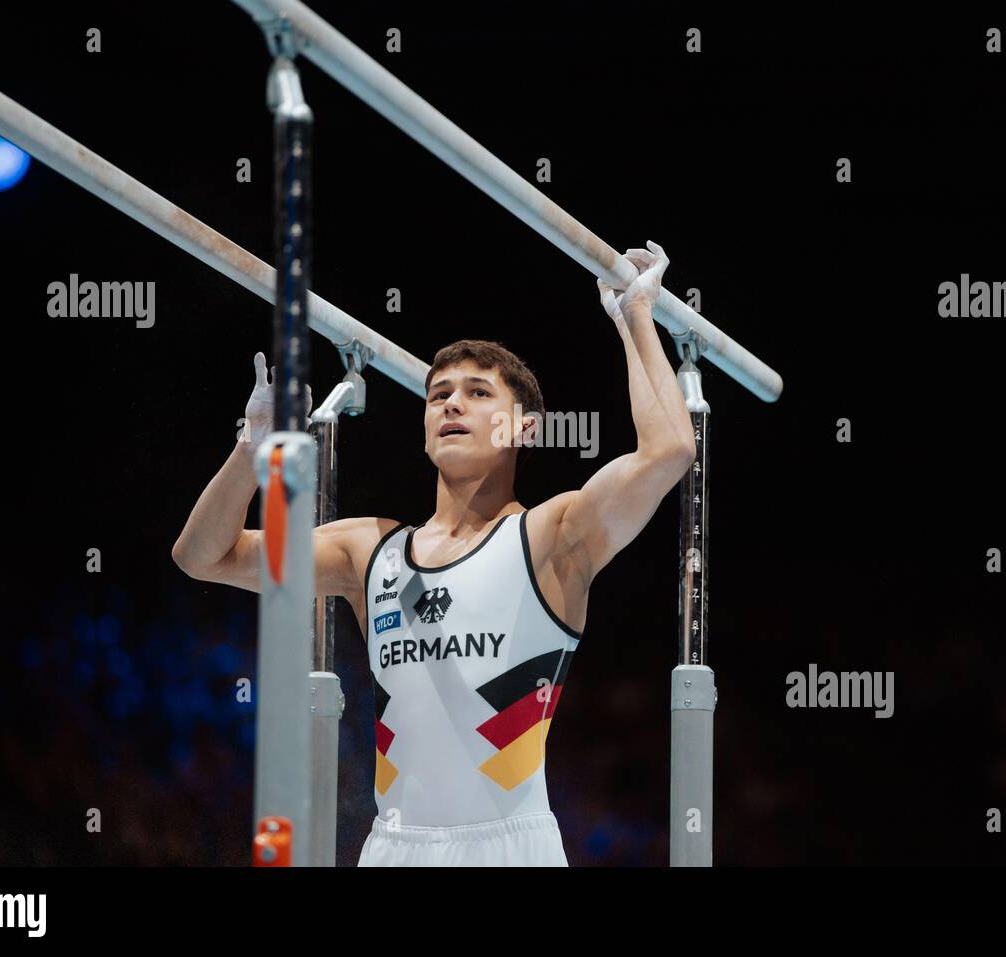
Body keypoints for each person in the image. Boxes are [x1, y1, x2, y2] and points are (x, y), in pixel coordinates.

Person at [171, 241, 697, 865]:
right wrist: (249, 452)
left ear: (523, 427)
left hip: (510, 847)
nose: (451, 403)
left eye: (478, 393)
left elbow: (668, 452)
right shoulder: (368, 550)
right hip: (393, 846)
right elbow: (205, 556)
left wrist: (636, 312)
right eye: (439, 394)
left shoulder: (553, 536)